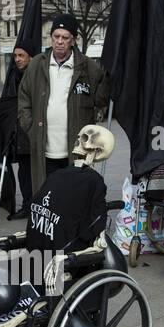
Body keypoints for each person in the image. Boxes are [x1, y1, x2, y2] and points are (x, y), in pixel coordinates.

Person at [17, 12, 111, 193]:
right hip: (44, 150)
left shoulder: (87, 66)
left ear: (73, 40)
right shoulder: (37, 64)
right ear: (51, 38)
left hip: (76, 151)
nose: (59, 41)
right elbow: (24, 100)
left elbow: (101, 100)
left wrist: (109, 77)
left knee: (72, 197)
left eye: (65, 38)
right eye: (56, 37)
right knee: (47, 197)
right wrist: (30, 128)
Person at [2, 42, 37, 220]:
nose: (17, 59)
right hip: (19, 135)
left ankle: (37, 206)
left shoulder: (36, 76)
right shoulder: (13, 77)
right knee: (24, 172)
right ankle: (27, 205)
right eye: (15, 56)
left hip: (35, 133)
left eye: (21, 55)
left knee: (36, 173)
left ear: (30, 56)